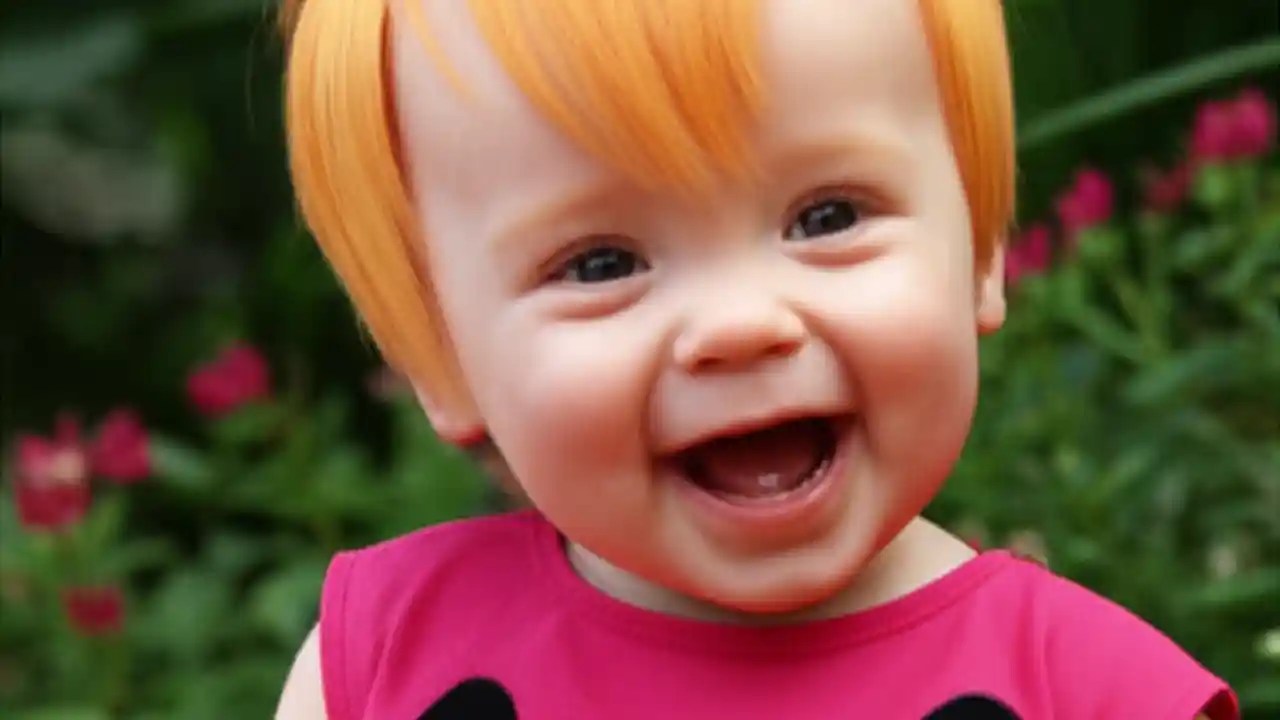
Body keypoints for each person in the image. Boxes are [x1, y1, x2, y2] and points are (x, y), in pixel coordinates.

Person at [274, 1, 1238, 717]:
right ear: (439, 357)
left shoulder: (1092, 695)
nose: (740, 324)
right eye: (602, 263)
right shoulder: (385, 658)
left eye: (828, 216)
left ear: (979, 247)